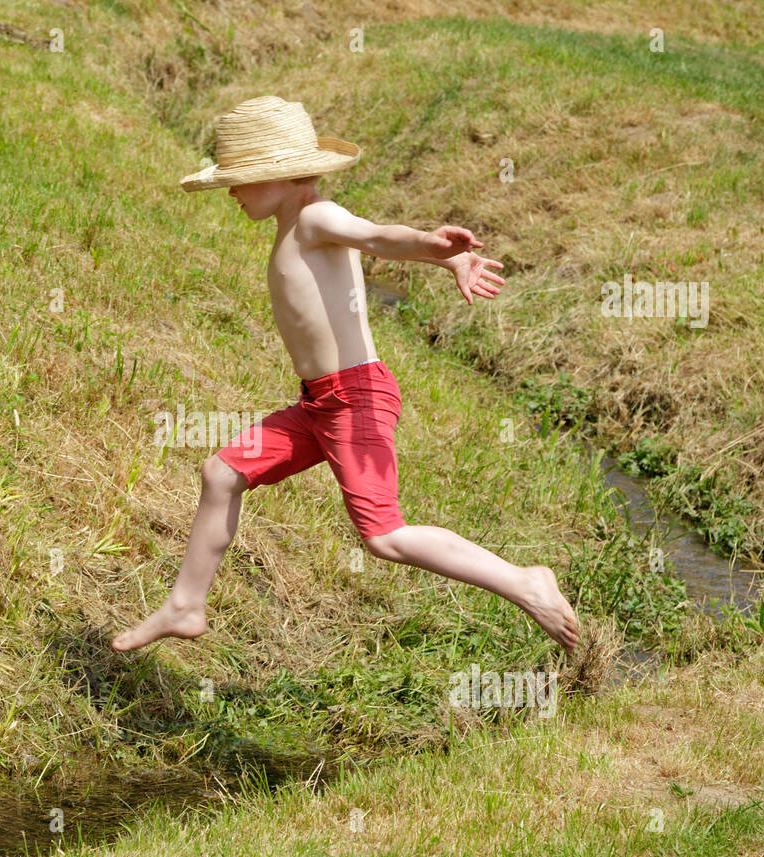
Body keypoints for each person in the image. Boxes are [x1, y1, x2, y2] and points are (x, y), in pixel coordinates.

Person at [113, 96, 579, 654]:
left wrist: (434, 248)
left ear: (280, 176)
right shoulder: (296, 224)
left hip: (354, 398)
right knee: (221, 473)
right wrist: (442, 258)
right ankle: (185, 605)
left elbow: (378, 235)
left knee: (383, 534)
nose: (232, 193)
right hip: (320, 404)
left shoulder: (314, 216)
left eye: (239, 181)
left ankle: (524, 581)